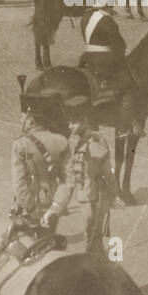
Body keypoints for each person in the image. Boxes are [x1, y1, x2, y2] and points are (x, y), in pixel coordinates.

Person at [39, 95, 116, 255]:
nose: (70, 126)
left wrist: (111, 197)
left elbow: (108, 174)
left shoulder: (96, 142)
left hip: (95, 202)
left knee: (91, 247)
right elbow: (69, 181)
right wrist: (53, 209)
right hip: (84, 202)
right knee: (93, 248)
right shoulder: (75, 143)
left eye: (73, 122)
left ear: (84, 120)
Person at [10, 90, 69, 226]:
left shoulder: (20, 144)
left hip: (29, 204)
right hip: (52, 201)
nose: (20, 120)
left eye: (22, 117)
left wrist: (32, 209)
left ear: (30, 120)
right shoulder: (61, 141)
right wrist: (56, 206)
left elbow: (19, 184)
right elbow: (68, 180)